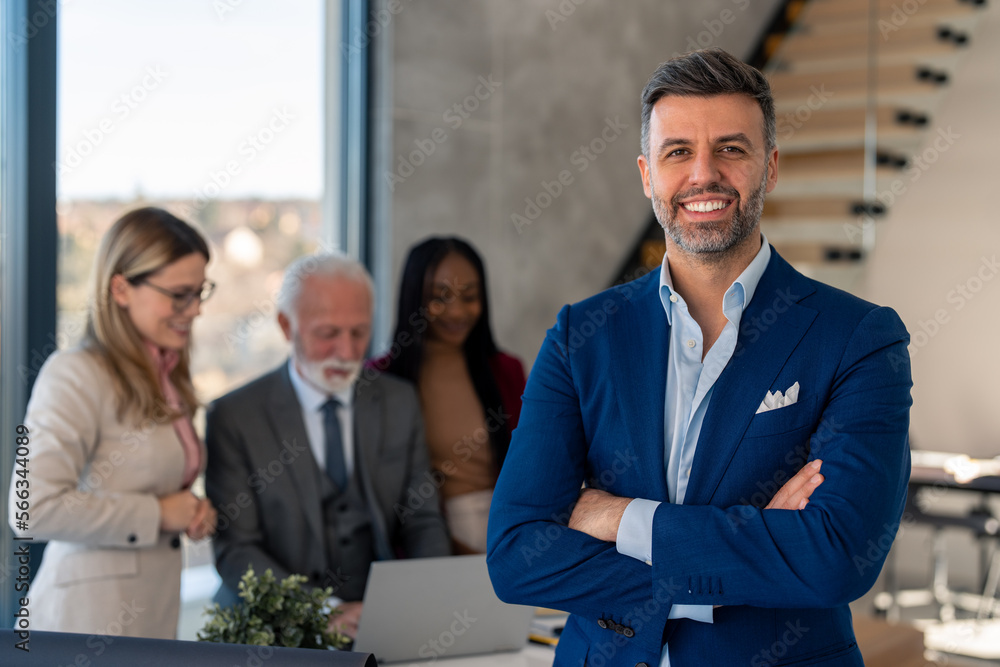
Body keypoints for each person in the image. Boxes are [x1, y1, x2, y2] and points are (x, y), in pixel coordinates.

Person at [487, 48, 912, 667]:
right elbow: (515, 554)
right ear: (646, 174)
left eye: (731, 150)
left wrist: (618, 517)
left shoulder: (860, 339)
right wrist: (743, 559)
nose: (703, 175)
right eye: (678, 151)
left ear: (769, 168)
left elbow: (837, 557)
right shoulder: (584, 334)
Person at [205, 252, 450, 639]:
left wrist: (411, 603)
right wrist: (322, 611)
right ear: (286, 326)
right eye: (328, 333)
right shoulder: (234, 416)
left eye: (359, 332)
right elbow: (237, 550)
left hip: (379, 623)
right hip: (269, 632)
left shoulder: (399, 401)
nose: (348, 352)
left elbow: (423, 521)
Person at [8, 207, 218, 639]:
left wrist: (190, 510)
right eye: (179, 294)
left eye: (200, 292)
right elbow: (29, 508)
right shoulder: (74, 373)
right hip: (82, 622)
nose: (194, 310)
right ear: (120, 289)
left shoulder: (168, 373)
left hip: (150, 617)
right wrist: (157, 513)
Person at [373, 237, 526, 554]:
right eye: (439, 297)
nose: (456, 311)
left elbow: (531, 466)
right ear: (414, 298)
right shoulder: (380, 378)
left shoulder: (507, 371)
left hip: (509, 534)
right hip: (426, 541)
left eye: (469, 296)